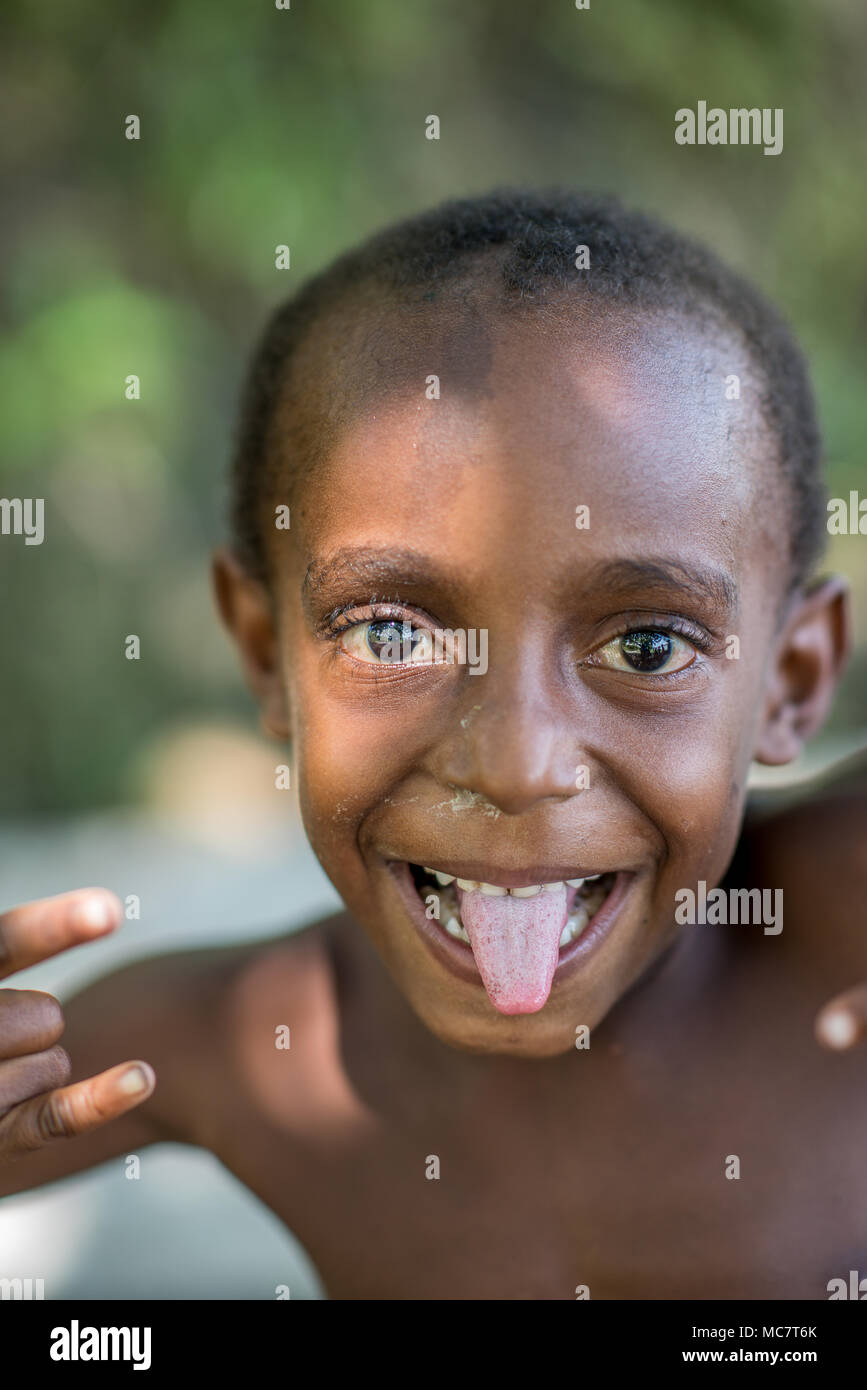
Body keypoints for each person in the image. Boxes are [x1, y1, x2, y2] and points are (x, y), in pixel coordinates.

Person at [1, 190, 863, 1299]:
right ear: (266, 653)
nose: (512, 764)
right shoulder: (235, 1047)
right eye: (393, 633)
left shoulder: (844, 917)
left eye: (647, 646)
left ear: (792, 680)